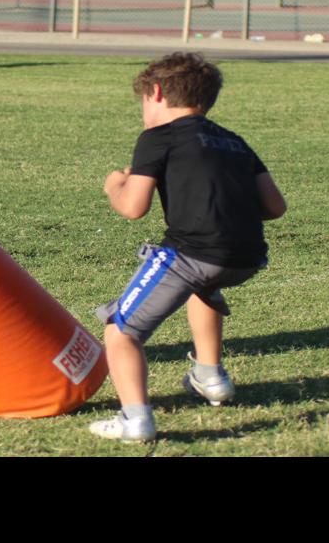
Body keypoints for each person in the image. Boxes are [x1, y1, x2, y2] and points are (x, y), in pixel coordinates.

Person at [89, 52, 287, 443]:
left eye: (143, 101)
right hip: (245, 256)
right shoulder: (234, 141)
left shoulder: (157, 137)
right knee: (203, 288)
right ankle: (210, 376)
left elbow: (133, 208)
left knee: (121, 331)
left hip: (192, 254)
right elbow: (275, 207)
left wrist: (114, 185)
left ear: (157, 92)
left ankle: (135, 419)